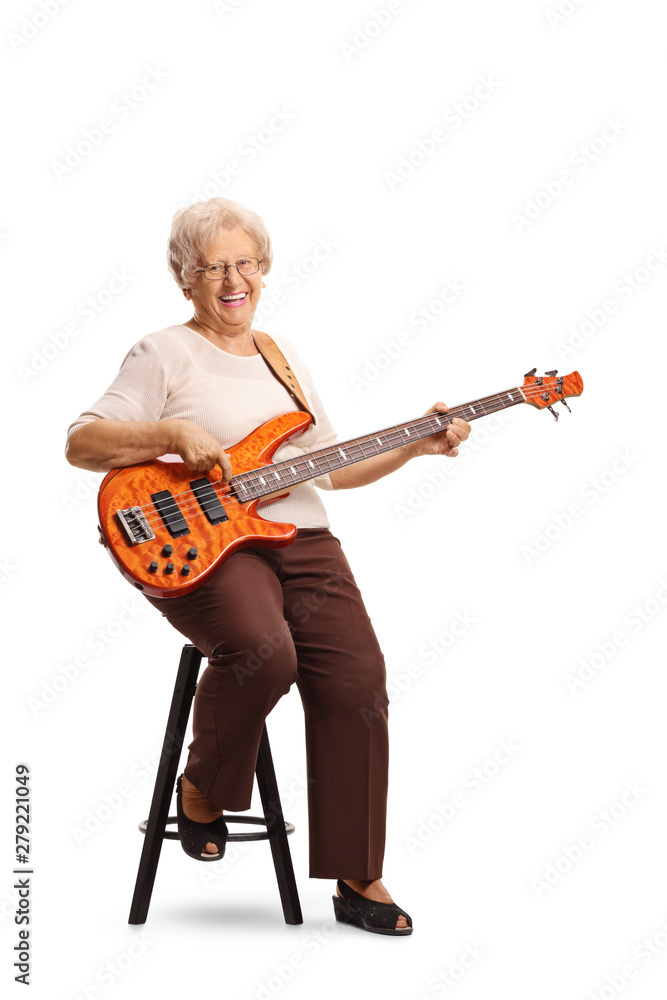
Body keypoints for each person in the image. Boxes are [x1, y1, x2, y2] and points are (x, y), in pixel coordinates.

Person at [65, 196, 471, 936]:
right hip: (205, 547)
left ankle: (357, 876)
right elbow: (83, 443)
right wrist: (169, 431)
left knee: (357, 680)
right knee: (262, 649)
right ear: (185, 278)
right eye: (213, 265)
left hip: (301, 540)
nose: (232, 278)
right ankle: (201, 788)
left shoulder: (282, 358)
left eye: (244, 263)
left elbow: (331, 470)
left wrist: (417, 443)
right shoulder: (163, 353)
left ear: (264, 270)